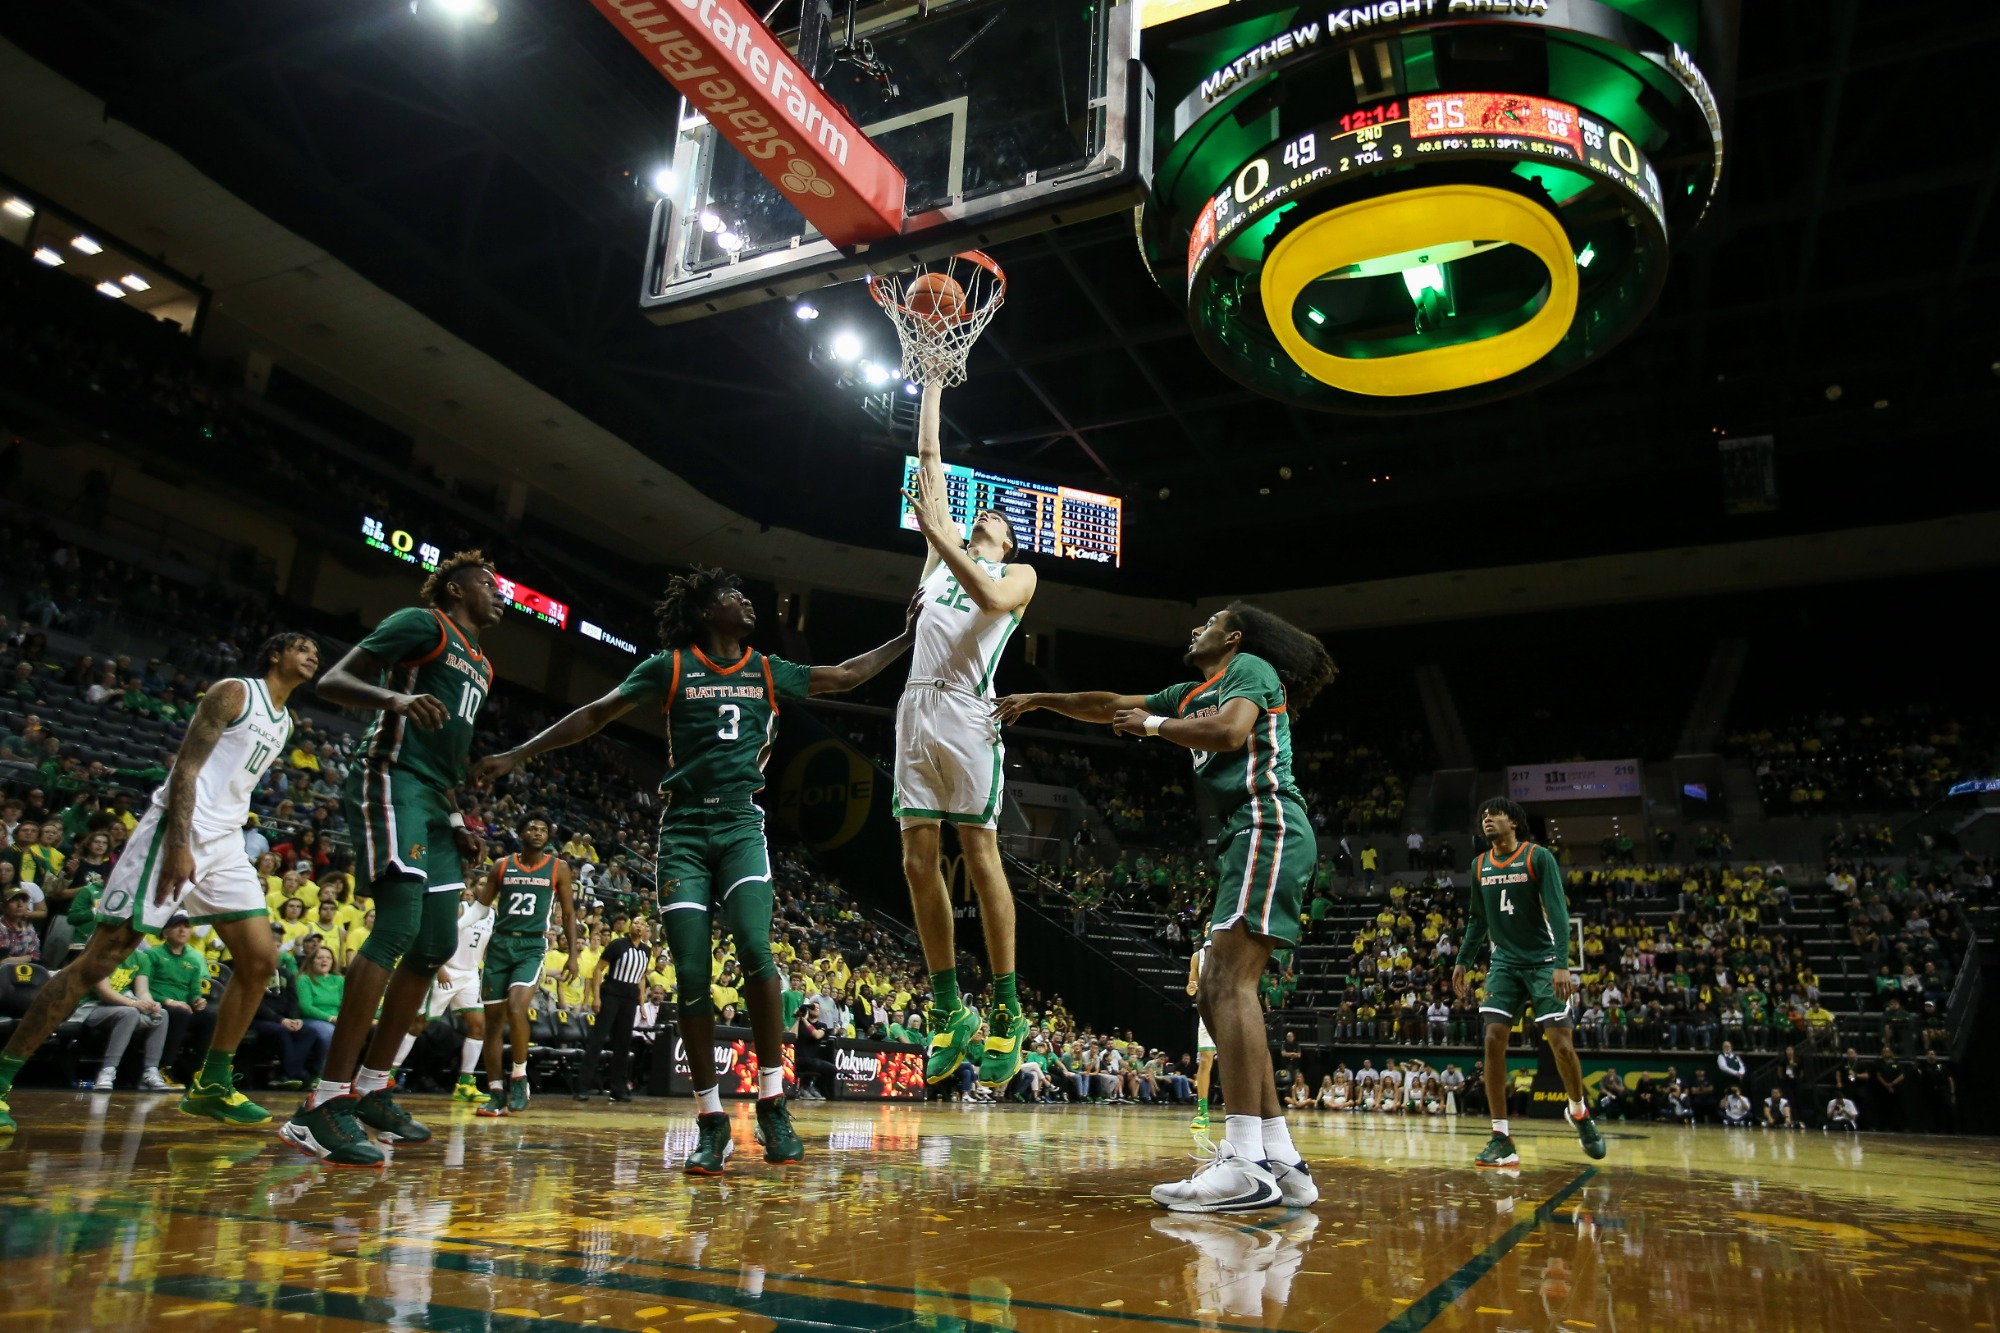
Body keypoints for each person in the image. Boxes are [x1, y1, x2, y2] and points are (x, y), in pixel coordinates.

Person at [472, 565, 917, 1175]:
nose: (748, 604)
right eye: (735, 597)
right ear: (709, 613)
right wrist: (519, 752)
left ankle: (771, 1100)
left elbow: (844, 677)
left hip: (740, 826)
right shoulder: (671, 666)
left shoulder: (765, 668)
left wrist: (907, 636)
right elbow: (595, 715)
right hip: (682, 832)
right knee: (689, 975)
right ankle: (710, 1119)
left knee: (758, 952)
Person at [999, 601, 1335, 1212]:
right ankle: (1281, 1157)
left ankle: (1243, 1162)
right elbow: (1109, 704)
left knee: (1227, 984)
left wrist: (1153, 729)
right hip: (1248, 833)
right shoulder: (1191, 690)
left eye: (1208, 621)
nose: (1194, 627)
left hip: (1270, 823)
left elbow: (1231, 732)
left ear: (1232, 636)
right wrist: (1043, 699)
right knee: (1219, 990)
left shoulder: (1251, 668)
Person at [0, 634, 318, 1134]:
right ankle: (1, 1079)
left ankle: (211, 1085)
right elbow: (187, 767)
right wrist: (176, 843)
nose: (313, 655)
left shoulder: (286, 722)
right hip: (177, 830)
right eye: (302, 647)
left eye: (316, 651)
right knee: (101, 959)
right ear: (275, 654)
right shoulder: (235, 692)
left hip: (227, 841)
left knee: (260, 962)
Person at [280, 554, 499, 1167]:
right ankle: (322, 1104)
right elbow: (334, 680)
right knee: (398, 928)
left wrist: (458, 818)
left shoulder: (482, 663)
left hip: (435, 797)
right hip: (391, 779)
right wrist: (393, 701)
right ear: (456, 589)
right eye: (487, 584)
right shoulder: (423, 624)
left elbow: (450, 751)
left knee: (433, 947)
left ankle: (375, 1087)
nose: (498, 594)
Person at [897, 386, 1039, 1094]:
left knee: (979, 857)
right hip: (916, 710)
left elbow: (988, 599)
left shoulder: (1018, 572)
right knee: (918, 859)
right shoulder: (937, 558)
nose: (986, 515)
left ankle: (1007, 1008)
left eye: (997, 520)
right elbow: (931, 457)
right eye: (977, 513)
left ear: (1007, 541)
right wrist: (932, 378)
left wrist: (945, 539)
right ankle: (949, 1005)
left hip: (967, 712)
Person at [1452, 797, 1607, 1168]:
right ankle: (1501, 1136)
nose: (1488, 819)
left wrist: (1562, 964)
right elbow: (1477, 919)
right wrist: (1463, 960)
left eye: (1495, 814)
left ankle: (1579, 1112)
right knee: (1492, 1039)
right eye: (1483, 816)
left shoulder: (1538, 857)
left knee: (1561, 1044)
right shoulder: (1479, 866)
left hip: (1543, 962)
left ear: (1514, 822)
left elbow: (1558, 910)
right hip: (1504, 962)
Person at [469, 814, 578, 1116]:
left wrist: (572, 955)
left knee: (517, 1009)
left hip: (532, 945)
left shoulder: (559, 868)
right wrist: (455, 929)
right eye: (532, 827)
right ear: (520, 834)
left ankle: (519, 1076)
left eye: (543, 829)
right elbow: (481, 907)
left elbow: (568, 914)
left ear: (549, 836)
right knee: (492, 1023)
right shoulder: (501, 865)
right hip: (500, 943)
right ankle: (494, 1092)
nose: (538, 832)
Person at [392, 892, 496, 1106]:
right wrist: (439, 966)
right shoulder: (462, 908)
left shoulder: (493, 914)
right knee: (419, 1023)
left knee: (478, 1027)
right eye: (481, 884)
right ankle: (388, 1073)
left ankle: (465, 1083)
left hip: (470, 974)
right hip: (447, 969)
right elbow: (437, 934)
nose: (486, 887)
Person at [578, 915, 654, 1102]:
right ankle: (582, 1086)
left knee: (623, 1043)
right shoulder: (617, 945)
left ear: (645, 930)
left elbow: (642, 977)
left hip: (629, 998)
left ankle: (618, 1088)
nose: (638, 926)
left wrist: (642, 1003)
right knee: (598, 1039)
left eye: (642, 924)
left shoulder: (646, 950)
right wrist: (596, 998)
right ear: (630, 926)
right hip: (611, 993)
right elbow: (598, 970)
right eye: (635, 923)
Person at [1187, 941, 1217, 1132]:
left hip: (1228, 1011)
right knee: (1205, 1062)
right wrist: (1191, 988)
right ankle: (1203, 1113)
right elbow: (1191, 987)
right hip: (1206, 1013)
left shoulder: (1228, 948)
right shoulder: (1198, 956)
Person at [793, 1000, 838, 1101]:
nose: (815, 1009)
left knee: (832, 1069)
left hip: (813, 1059)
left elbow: (817, 1035)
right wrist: (798, 1019)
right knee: (813, 1063)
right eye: (813, 1007)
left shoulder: (822, 1025)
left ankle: (813, 1086)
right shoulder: (800, 1023)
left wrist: (805, 1021)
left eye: (817, 1008)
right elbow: (792, 1036)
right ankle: (804, 1087)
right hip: (799, 1058)